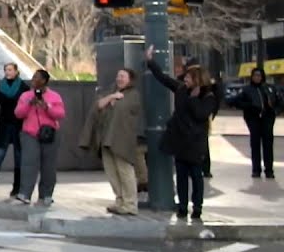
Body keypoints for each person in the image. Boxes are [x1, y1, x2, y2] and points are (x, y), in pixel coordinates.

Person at [146, 46, 217, 220]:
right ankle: (183, 206)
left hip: (195, 143)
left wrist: (193, 99)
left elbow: (201, 114)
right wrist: (150, 61)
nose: (185, 79)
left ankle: (197, 207)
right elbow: (163, 78)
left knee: (196, 176)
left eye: (188, 77)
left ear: (197, 80)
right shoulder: (180, 90)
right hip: (179, 140)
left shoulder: (208, 97)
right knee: (182, 176)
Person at [86, 68, 144, 215]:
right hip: (106, 139)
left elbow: (123, 109)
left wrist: (113, 103)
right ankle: (120, 200)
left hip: (122, 140)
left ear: (130, 79)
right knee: (112, 172)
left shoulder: (133, 95)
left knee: (125, 171)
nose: (119, 79)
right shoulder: (111, 91)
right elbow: (98, 105)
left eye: (123, 76)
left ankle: (130, 204)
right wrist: (111, 97)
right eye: (118, 76)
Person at [13, 69, 66, 206]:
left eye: (37, 77)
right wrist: (29, 104)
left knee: (49, 165)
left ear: (44, 81)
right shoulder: (25, 96)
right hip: (30, 134)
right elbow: (18, 113)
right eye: (33, 77)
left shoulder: (54, 96)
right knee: (28, 163)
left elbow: (60, 114)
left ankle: (46, 194)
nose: (33, 80)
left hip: (49, 134)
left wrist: (47, 107)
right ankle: (25, 194)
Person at [0, 63, 28, 197]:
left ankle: (16, 188)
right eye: (5, 70)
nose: (7, 72)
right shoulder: (0, 86)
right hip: (3, 126)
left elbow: (27, 106)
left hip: (18, 126)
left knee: (18, 158)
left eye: (10, 70)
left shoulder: (23, 87)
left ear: (16, 71)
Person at [232, 67, 279, 179]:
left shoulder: (269, 88)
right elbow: (235, 101)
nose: (257, 78)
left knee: (268, 144)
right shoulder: (247, 89)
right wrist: (249, 106)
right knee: (255, 144)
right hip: (253, 118)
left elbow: (279, 101)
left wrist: (275, 111)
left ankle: (269, 170)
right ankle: (256, 170)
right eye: (255, 75)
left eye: (259, 75)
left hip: (267, 118)